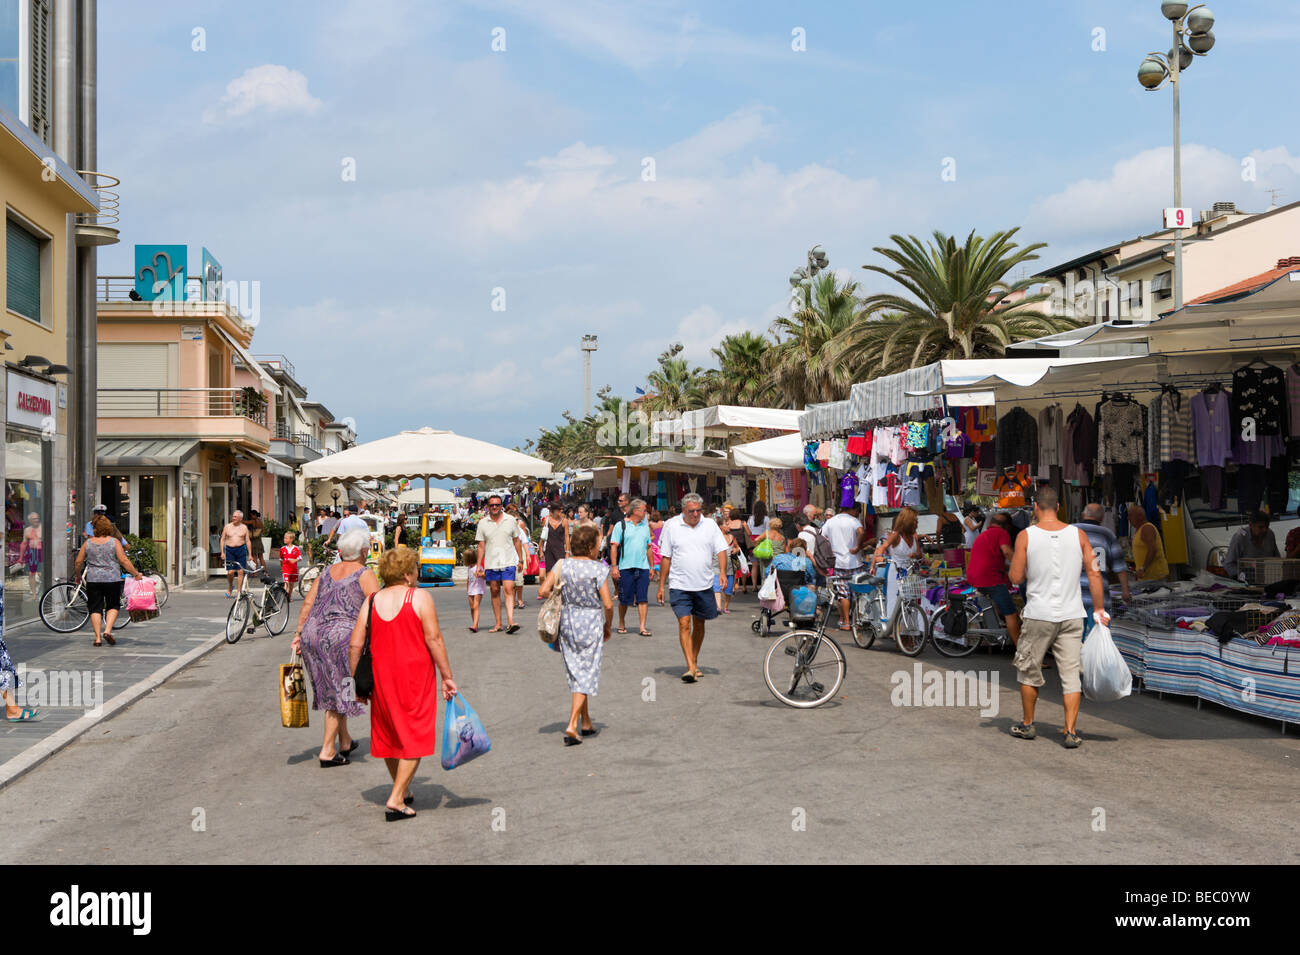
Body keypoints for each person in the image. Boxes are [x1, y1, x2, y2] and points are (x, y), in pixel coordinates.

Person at [349, 547, 457, 820]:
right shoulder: (419, 597)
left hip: (381, 678)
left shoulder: (371, 601)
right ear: (408, 574)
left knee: (388, 734)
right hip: (414, 678)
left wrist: (356, 683)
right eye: (416, 569)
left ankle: (402, 786)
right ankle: (397, 798)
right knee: (414, 734)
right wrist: (446, 676)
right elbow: (434, 639)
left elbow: (355, 643)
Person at [1008, 486, 1107, 749]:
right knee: (1071, 674)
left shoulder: (1025, 536)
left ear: (1035, 508)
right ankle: (1070, 730)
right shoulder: (1079, 534)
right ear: (1059, 507)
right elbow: (1094, 573)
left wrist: (1027, 567)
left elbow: (1016, 577)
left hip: (1038, 614)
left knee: (1029, 671)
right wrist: (1098, 609)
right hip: (1072, 613)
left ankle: (1028, 725)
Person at [292, 529, 379, 767]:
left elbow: (308, 603)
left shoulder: (326, 572)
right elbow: (375, 606)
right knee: (339, 694)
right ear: (364, 551)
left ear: (340, 551)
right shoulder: (365, 573)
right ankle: (328, 750)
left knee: (333, 688)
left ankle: (345, 741)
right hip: (342, 639)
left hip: (313, 635)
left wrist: (298, 634)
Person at [538, 524, 613, 746]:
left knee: (577, 670)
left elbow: (543, 590)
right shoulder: (599, 569)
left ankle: (586, 721)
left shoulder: (563, 564)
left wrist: (563, 594)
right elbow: (608, 604)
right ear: (591, 546)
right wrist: (608, 624)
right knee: (586, 672)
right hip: (590, 622)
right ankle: (572, 724)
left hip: (568, 622)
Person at [656, 493, 729, 683]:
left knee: (700, 624)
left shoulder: (710, 525)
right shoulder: (671, 525)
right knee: (684, 623)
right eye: (691, 511)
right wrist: (661, 586)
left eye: (698, 511)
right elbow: (666, 557)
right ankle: (690, 667)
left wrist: (722, 572)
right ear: (683, 510)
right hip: (679, 584)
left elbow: (721, 549)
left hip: (703, 584)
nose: (696, 514)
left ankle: (694, 661)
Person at [74, 515, 142, 647]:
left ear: (94, 529)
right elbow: (123, 560)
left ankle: (98, 638)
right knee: (113, 605)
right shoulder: (114, 542)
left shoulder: (88, 543)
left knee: (95, 607)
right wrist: (135, 574)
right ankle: (108, 631)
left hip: (93, 579)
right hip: (112, 579)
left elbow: (78, 562)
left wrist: (78, 575)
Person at [965, 512, 1022, 647]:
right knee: (1011, 614)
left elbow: (994, 560)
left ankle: (1001, 635)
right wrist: (1022, 565)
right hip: (990, 579)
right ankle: (1023, 653)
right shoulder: (1002, 533)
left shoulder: (983, 535)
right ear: (1007, 526)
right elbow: (1007, 552)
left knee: (1000, 607)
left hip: (975, 577)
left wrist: (1009, 568)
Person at [475, 494, 525, 633]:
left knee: (509, 589)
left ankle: (510, 621)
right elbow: (481, 545)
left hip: (508, 561)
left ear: (502, 506)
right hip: (491, 563)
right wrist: (479, 565)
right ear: (488, 507)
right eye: (492, 505)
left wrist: (520, 560)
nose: (495, 507)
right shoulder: (483, 523)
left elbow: (517, 540)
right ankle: (498, 623)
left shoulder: (510, 520)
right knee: (495, 591)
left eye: (497, 504)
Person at [1078, 502, 1132, 632]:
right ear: (1102, 518)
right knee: (1097, 638)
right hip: (1099, 597)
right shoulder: (1107, 535)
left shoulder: (1069, 531)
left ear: (1083, 515)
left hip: (1072, 597)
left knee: (1073, 641)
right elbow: (1119, 566)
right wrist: (1125, 591)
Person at [870, 506, 923, 622]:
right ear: (908, 521)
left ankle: (907, 631)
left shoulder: (914, 536)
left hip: (910, 574)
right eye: (915, 520)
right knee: (895, 601)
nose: (917, 523)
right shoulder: (896, 535)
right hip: (896, 572)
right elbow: (882, 547)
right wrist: (879, 557)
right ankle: (894, 629)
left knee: (910, 602)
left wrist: (915, 555)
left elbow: (919, 554)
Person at [610, 498, 653, 635]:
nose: (646, 513)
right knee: (624, 598)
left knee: (643, 598)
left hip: (643, 567)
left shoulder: (645, 527)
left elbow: (649, 547)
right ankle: (622, 623)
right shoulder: (620, 526)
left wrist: (651, 566)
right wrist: (614, 566)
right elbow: (614, 547)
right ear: (635, 511)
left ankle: (642, 627)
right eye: (644, 510)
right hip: (625, 567)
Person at [823, 506, 868, 631]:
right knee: (857, 592)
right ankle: (857, 621)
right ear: (853, 509)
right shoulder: (853, 521)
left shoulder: (831, 522)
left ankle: (847, 623)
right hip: (855, 562)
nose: (857, 514)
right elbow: (861, 532)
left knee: (843, 593)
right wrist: (858, 547)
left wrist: (829, 549)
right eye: (858, 511)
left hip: (838, 563)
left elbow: (821, 536)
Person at [1224, 511, 1279, 580]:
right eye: (1261, 527)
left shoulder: (1270, 534)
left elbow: (1277, 560)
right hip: (1245, 581)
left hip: (1268, 578)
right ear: (1250, 525)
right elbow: (1229, 565)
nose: (1265, 530)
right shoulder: (1240, 537)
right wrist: (1245, 577)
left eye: (1267, 527)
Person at [1126, 504, 1169, 582]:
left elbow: (1152, 550)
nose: (1128, 518)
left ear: (1140, 516)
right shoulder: (1139, 529)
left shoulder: (1147, 528)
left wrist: (1143, 569)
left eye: (1130, 515)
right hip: (1147, 577)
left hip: (1154, 577)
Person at [220, 510, 252, 598]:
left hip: (241, 550)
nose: (233, 518)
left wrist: (250, 554)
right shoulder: (227, 527)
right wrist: (222, 552)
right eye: (233, 516)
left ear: (240, 519)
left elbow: (248, 541)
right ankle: (230, 586)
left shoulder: (244, 528)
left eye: (235, 517)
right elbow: (222, 539)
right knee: (230, 572)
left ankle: (238, 591)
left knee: (240, 571)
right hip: (229, 550)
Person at [722, 506, 752, 593]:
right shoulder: (743, 523)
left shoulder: (728, 524)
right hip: (742, 547)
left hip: (732, 546)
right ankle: (744, 586)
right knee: (743, 565)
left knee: (733, 567)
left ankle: (733, 587)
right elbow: (749, 533)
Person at [746, 501, 769, 590]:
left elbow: (748, 530)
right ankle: (764, 584)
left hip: (752, 541)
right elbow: (767, 531)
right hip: (762, 541)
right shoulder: (766, 519)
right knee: (763, 564)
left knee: (754, 565)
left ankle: (754, 586)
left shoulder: (751, 518)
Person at [462, 548, 486, 632]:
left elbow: (484, 576)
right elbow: (468, 578)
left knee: (476, 606)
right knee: (472, 607)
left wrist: (480, 574)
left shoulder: (478, 567)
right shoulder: (469, 568)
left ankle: (475, 625)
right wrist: (467, 588)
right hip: (471, 589)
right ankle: (474, 623)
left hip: (478, 588)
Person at [541, 505, 569, 573]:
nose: (561, 511)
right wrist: (541, 550)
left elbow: (567, 537)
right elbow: (543, 536)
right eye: (559, 510)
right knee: (549, 572)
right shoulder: (546, 520)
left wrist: (568, 552)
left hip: (560, 550)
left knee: (561, 572)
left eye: (561, 509)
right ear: (553, 510)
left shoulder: (564, 521)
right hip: (549, 550)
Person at [19, 512, 41, 597]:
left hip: (41, 552)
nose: (36, 520)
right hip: (32, 553)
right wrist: (21, 557)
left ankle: (41, 589)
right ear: (30, 520)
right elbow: (24, 544)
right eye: (34, 519)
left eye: (37, 518)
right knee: (32, 574)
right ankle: (34, 594)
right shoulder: (27, 530)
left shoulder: (42, 528)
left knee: (41, 573)